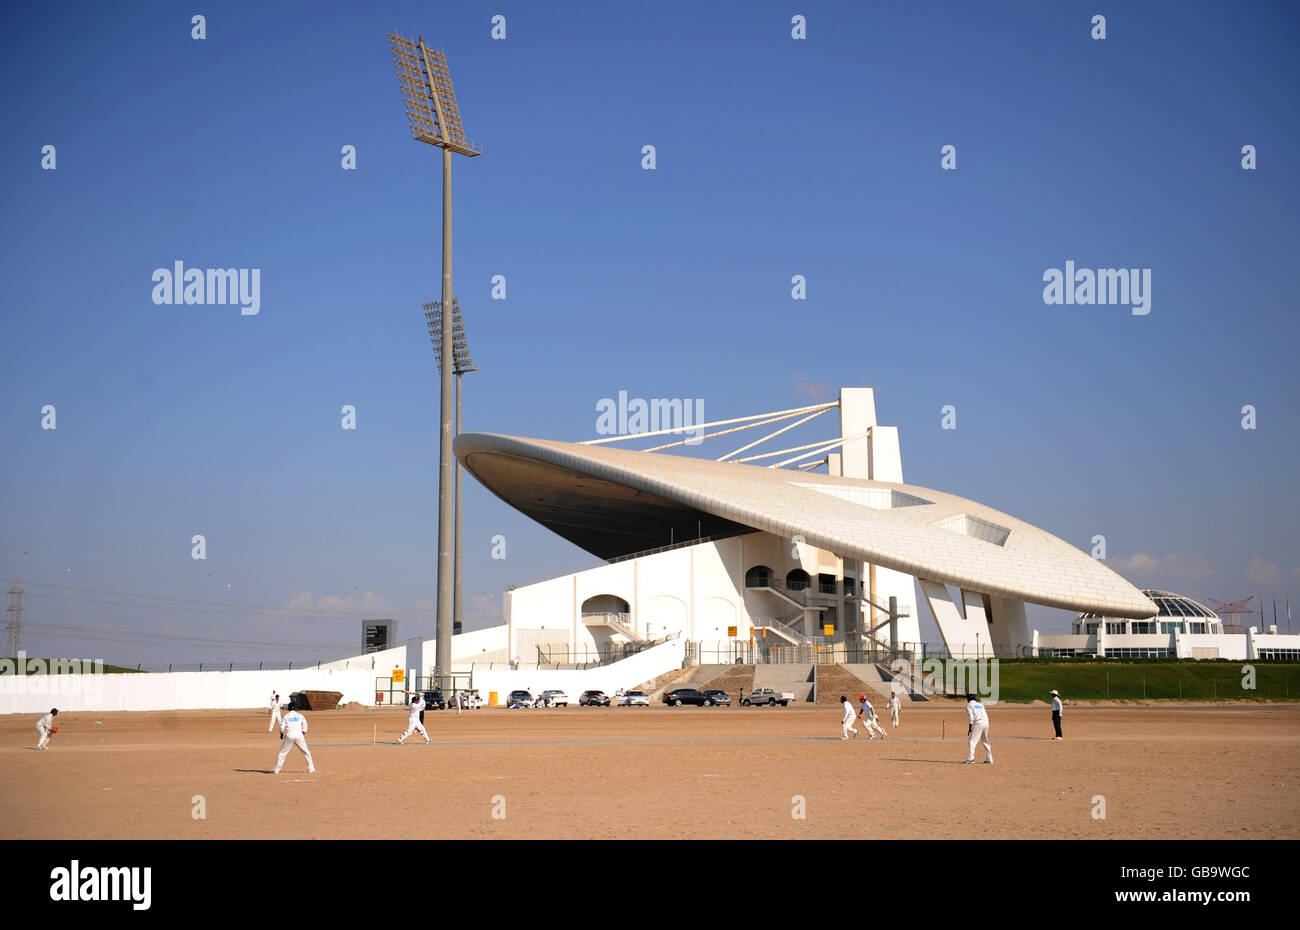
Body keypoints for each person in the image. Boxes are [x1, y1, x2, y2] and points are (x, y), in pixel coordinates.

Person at [273, 705, 316, 774]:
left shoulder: (286, 716)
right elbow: (305, 724)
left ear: (288, 709)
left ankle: (276, 770)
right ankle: (311, 769)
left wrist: (281, 733)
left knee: (283, 753)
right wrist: (303, 732)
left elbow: (282, 727)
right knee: (306, 752)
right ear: (295, 708)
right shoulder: (300, 716)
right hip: (299, 735)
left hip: (289, 735)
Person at [964, 694, 992, 764]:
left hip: (979, 722)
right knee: (985, 741)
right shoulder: (980, 704)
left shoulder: (969, 705)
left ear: (968, 699)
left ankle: (971, 758)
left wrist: (970, 728)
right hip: (986, 722)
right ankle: (989, 758)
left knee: (972, 741)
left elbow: (971, 718)